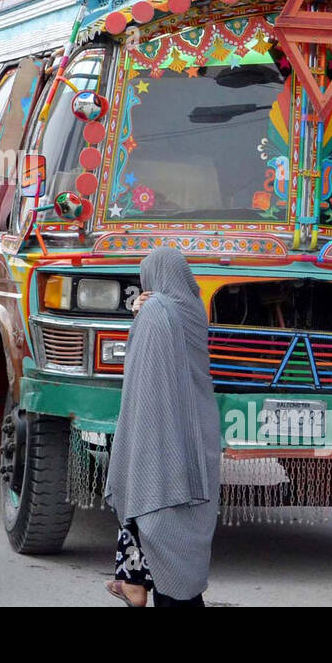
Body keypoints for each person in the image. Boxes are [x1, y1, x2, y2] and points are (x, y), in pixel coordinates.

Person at [104, 246, 220, 607]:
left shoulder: (155, 312)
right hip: (198, 430)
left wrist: (140, 311)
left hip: (161, 432)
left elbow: (142, 376)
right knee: (173, 523)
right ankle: (133, 580)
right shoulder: (193, 310)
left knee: (151, 503)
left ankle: (136, 583)